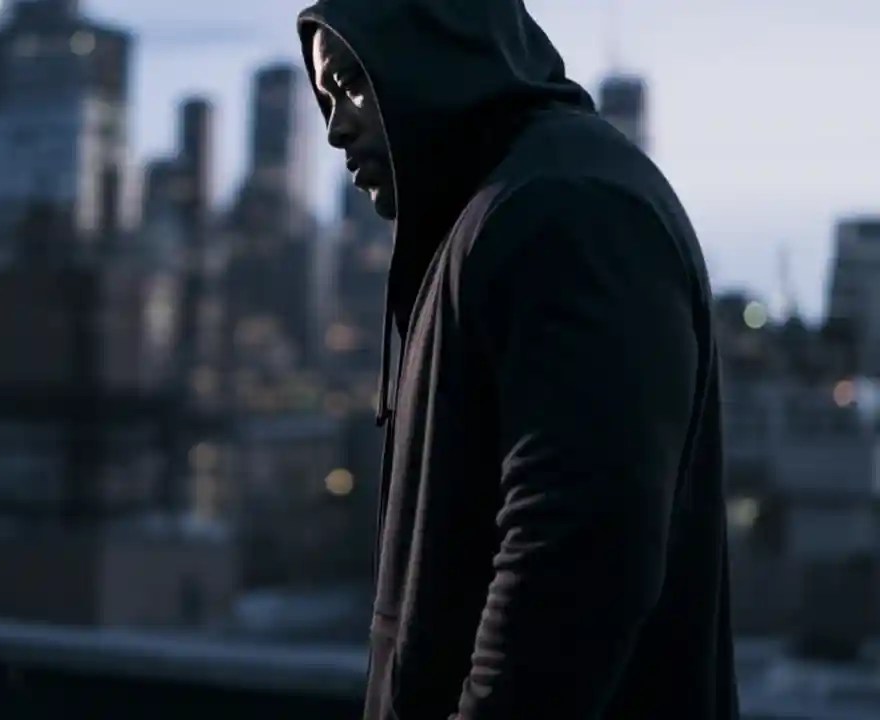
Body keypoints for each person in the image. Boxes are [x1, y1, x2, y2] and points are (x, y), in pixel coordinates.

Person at [297, 1, 739, 718]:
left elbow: (575, 558)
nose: (336, 126)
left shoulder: (567, 207)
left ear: (436, 47)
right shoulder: (502, 210)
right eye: (325, 97)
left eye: (351, 83)